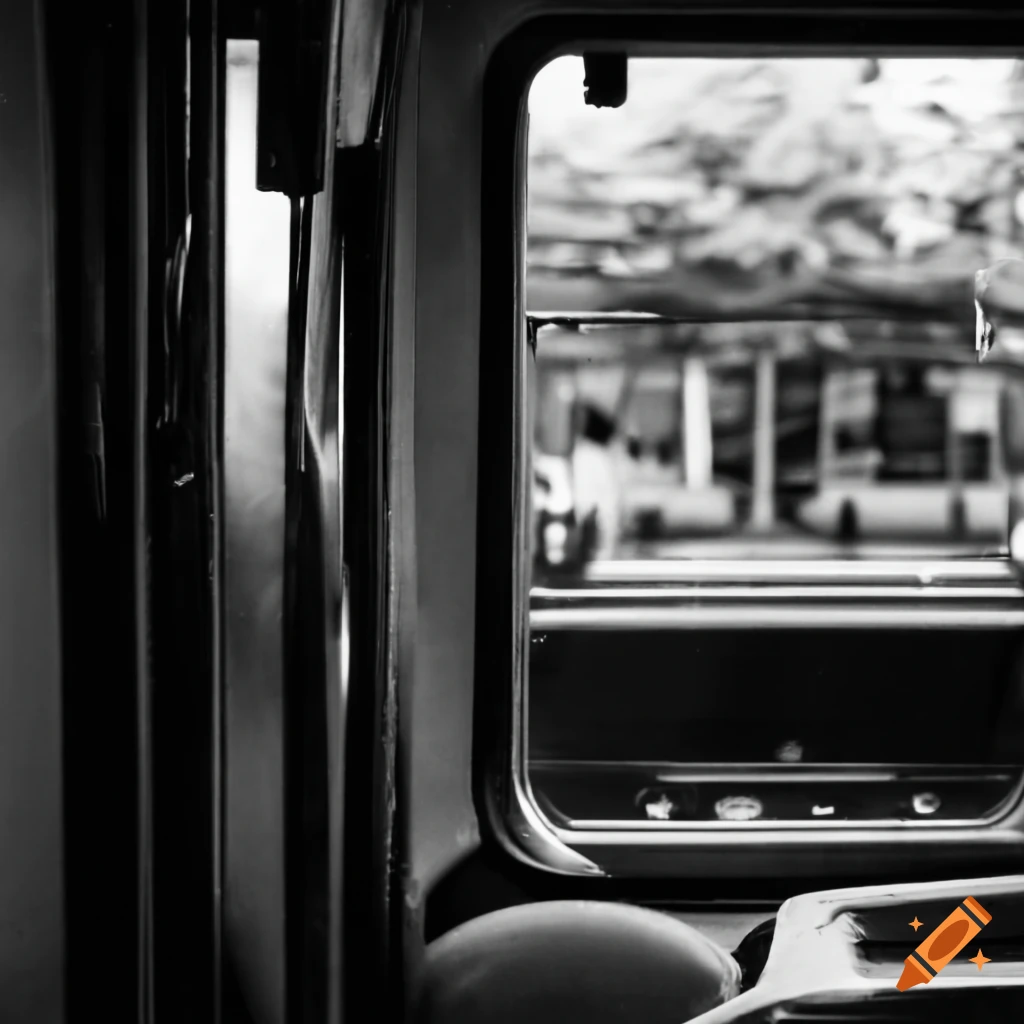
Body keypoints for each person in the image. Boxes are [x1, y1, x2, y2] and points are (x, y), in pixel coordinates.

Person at [571, 401, 623, 561]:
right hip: (600, 541)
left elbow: (588, 505)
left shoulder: (587, 456)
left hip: (593, 543)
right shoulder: (598, 457)